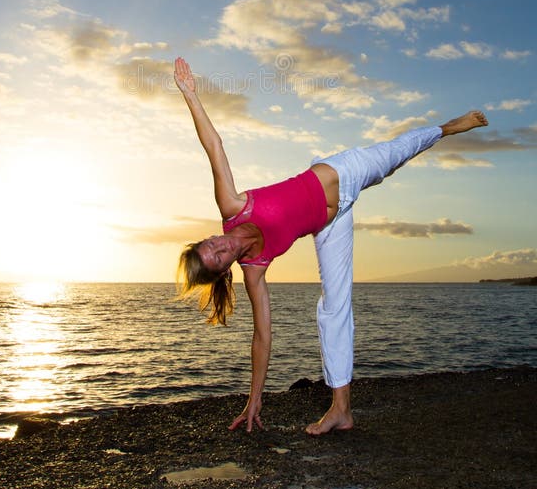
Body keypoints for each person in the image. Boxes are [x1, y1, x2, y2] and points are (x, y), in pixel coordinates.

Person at [174, 56, 488, 435]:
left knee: (396, 153)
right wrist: (254, 398)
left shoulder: (232, 206)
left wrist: (190, 93)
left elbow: (215, 145)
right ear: (223, 270)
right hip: (331, 222)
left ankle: (449, 127)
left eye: (212, 242)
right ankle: (341, 410)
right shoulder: (254, 269)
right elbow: (262, 336)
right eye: (218, 255)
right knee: (333, 305)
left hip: (340, 173)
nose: (220, 244)